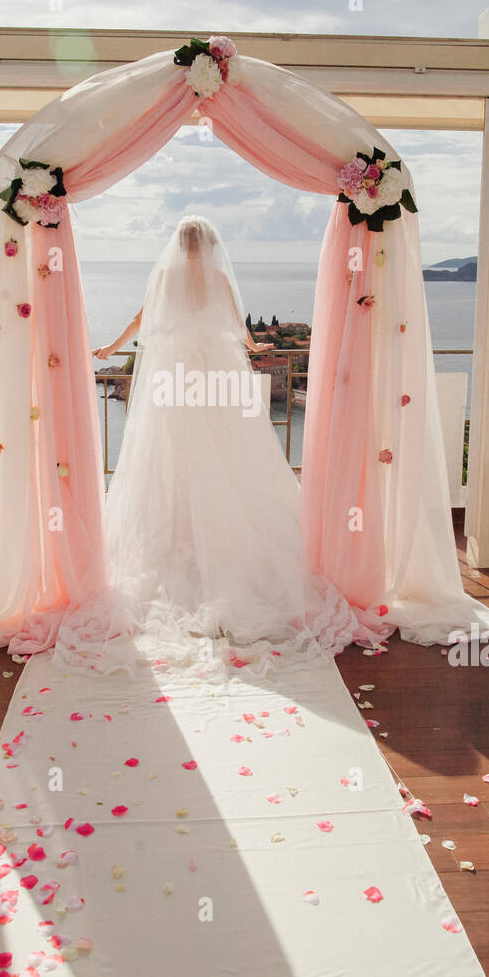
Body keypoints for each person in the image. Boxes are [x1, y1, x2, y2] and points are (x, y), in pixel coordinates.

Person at [70, 216, 388, 677]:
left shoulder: (163, 276)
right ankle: (222, 537)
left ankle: (180, 535)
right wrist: (255, 343)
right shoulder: (218, 277)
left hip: (173, 380)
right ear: (210, 245)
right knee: (225, 454)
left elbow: (142, 319)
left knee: (166, 459)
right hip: (215, 375)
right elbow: (236, 324)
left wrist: (112, 348)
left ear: (179, 245)